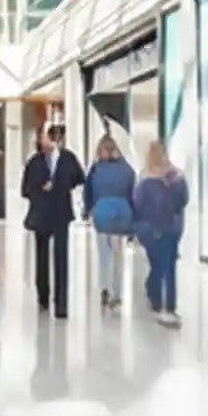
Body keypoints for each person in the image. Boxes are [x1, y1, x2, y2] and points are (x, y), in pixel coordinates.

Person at [22, 125, 85, 316]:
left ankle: (61, 303)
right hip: (41, 214)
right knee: (41, 257)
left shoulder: (68, 159)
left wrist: (59, 184)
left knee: (61, 257)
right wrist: (41, 189)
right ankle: (43, 295)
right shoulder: (34, 162)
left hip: (60, 213)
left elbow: (79, 178)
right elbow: (25, 189)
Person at [133, 140, 189, 328]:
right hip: (168, 228)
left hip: (155, 229)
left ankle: (159, 300)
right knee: (166, 267)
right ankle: (165, 304)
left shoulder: (146, 179)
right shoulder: (174, 177)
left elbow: (138, 206)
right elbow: (182, 201)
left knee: (161, 265)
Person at [84, 135, 136, 313]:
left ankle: (104, 288)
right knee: (118, 255)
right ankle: (117, 292)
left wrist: (87, 210)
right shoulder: (127, 169)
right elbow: (132, 194)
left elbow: (88, 192)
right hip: (122, 212)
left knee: (103, 254)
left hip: (102, 212)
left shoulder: (96, 169)